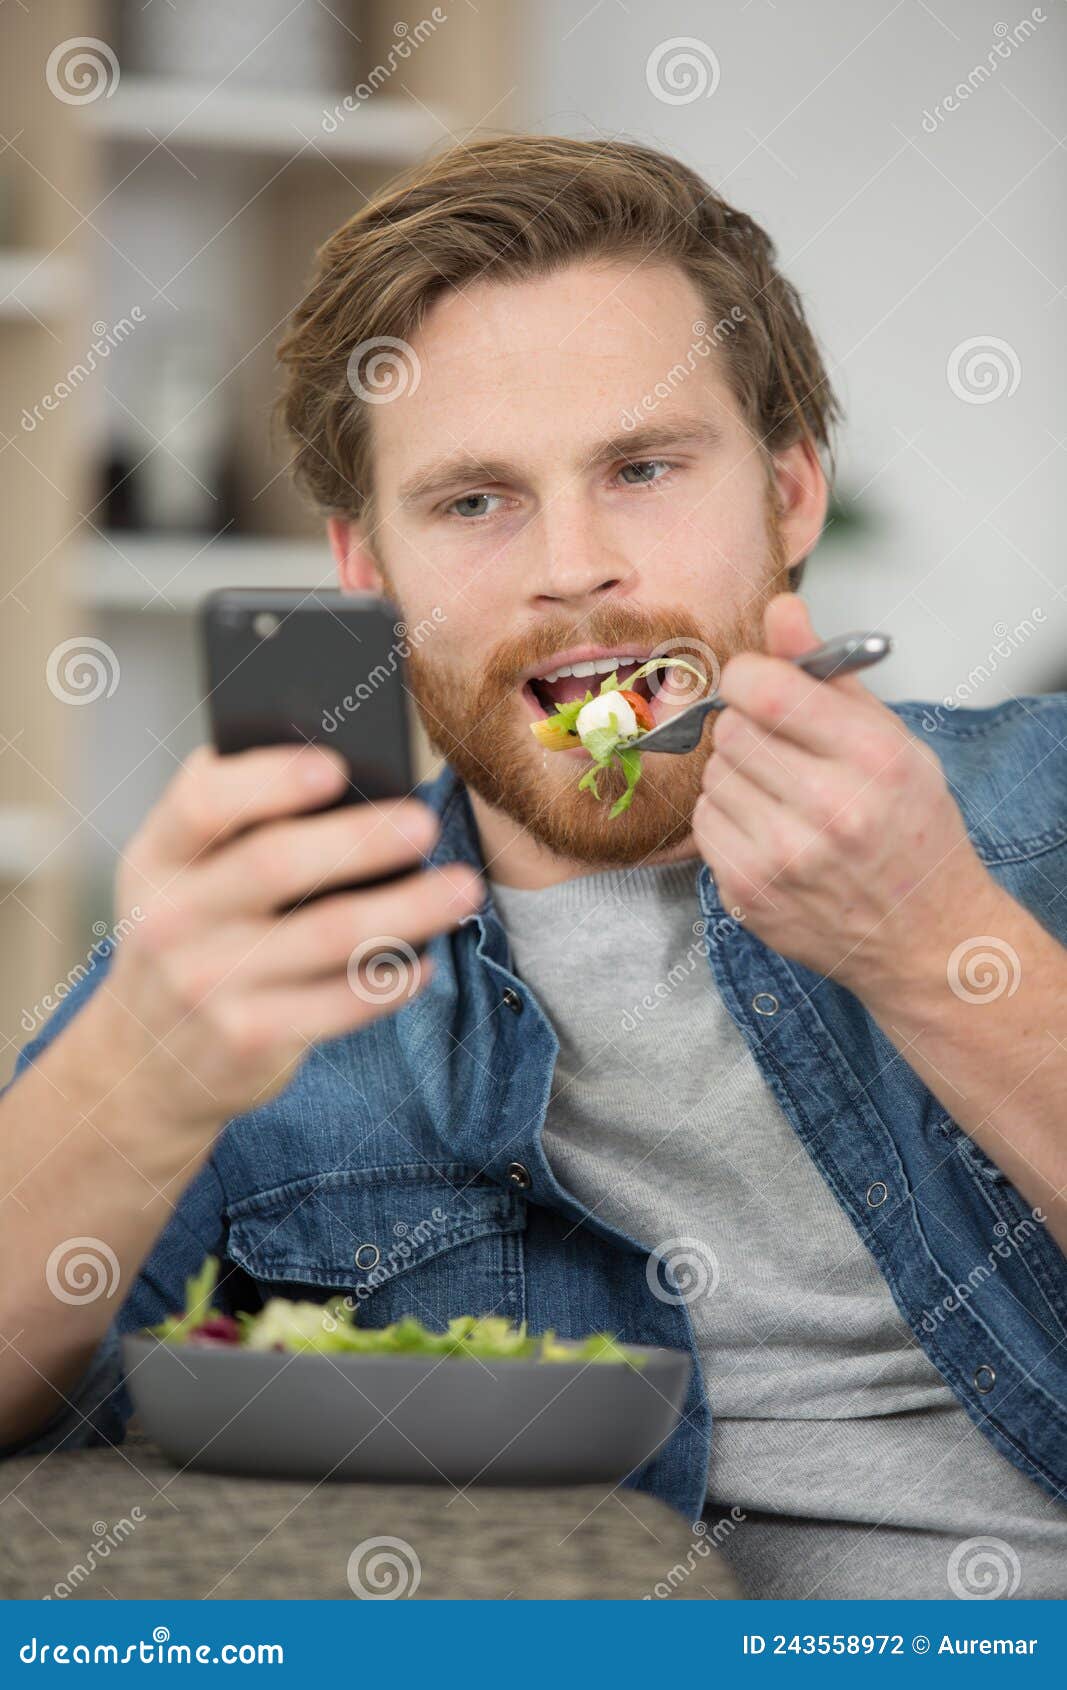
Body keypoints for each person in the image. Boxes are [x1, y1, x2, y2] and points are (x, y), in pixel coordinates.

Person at [2, 136, 1065, 1600]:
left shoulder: (1047, 810)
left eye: (641, 467)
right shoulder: (266, 956)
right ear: (367, 572)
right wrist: (136, 1061)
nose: (574, 566)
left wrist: (938, 948)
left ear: (793, 493)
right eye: (473, 502)